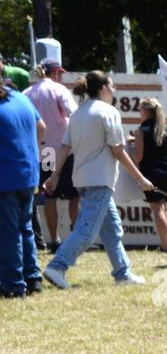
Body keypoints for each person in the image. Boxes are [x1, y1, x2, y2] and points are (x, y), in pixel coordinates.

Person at [41, 71, 154, 289]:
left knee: (112, 228)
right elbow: (118, 151)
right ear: (103, 88)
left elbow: (65, 147)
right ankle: (57, 266)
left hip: (83, 180)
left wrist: (54, 175)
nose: (114, 91)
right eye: (112, 87)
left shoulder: (78, 113)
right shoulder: (108, 112)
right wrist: (140, 179)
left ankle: (123, 273)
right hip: (100, 180)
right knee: (87, 231)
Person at [23, 59, 80, 251]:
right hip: (65, 150)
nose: (61, 76)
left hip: (45, 152)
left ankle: (54, 240)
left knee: (50, 196)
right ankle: (77, 238)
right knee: (74, 195)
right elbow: (74, 113)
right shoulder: (58, 90)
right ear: (55, 73)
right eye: (60, 73)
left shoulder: (28, 93)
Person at [0, 80, 43, 297]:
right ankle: (32, 277)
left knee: (8, 231)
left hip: (6, 177)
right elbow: (41, 128)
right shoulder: (21, 98)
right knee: (24, 227)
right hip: (28, 174)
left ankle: (14, 284)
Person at [130, 98, 167, 253]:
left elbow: (138, 157)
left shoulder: (141, 131)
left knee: (157, 209)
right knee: (163, 207)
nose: (139, 114)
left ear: (146, 111)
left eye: (140, 110)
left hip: (152, 173)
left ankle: (166, 246)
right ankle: (166, 243)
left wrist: (132, 143)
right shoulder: (166, 130)